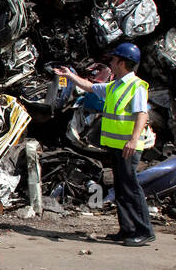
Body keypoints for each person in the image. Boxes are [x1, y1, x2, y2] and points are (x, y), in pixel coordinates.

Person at [53, 43, 155, 246]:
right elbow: (90, 87)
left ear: (123, 63)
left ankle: (144, 231)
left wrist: (134, 140)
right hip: (117, 146)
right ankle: (126, 230)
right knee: (121, 187)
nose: (111, 63)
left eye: (114, 60)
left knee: (130, 188)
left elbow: (142, 114)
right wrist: (69, 75)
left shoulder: (136, 86)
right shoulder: (116, 85)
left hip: (128, 147)